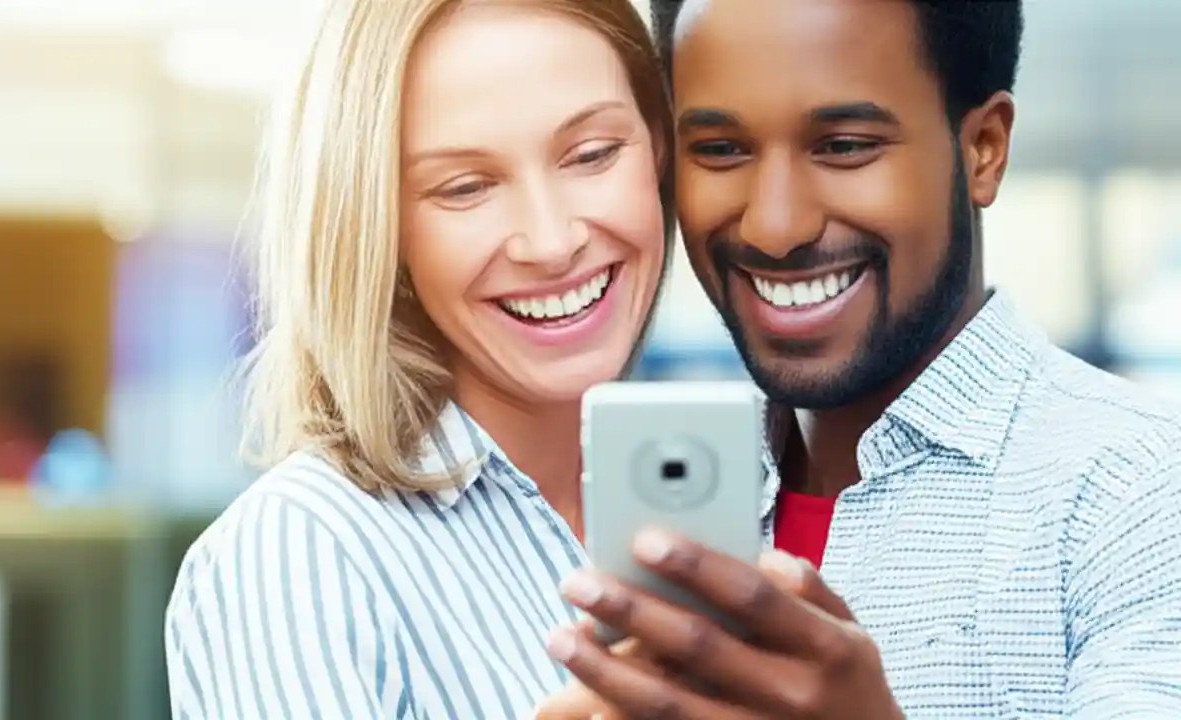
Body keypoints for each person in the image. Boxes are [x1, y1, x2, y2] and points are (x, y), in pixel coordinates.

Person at [538, 0, 1181, 717]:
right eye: (721, 149)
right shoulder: (631, 497)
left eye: (843, 145)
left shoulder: (1145, 492)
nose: (775, 226)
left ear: (984, 149)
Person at [163, 1, 675, 717]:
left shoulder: (751, 493)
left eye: (591, 154)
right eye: (465, 187)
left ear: (658, 147)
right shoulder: (300, 554)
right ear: (379, 224)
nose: (551, 240)